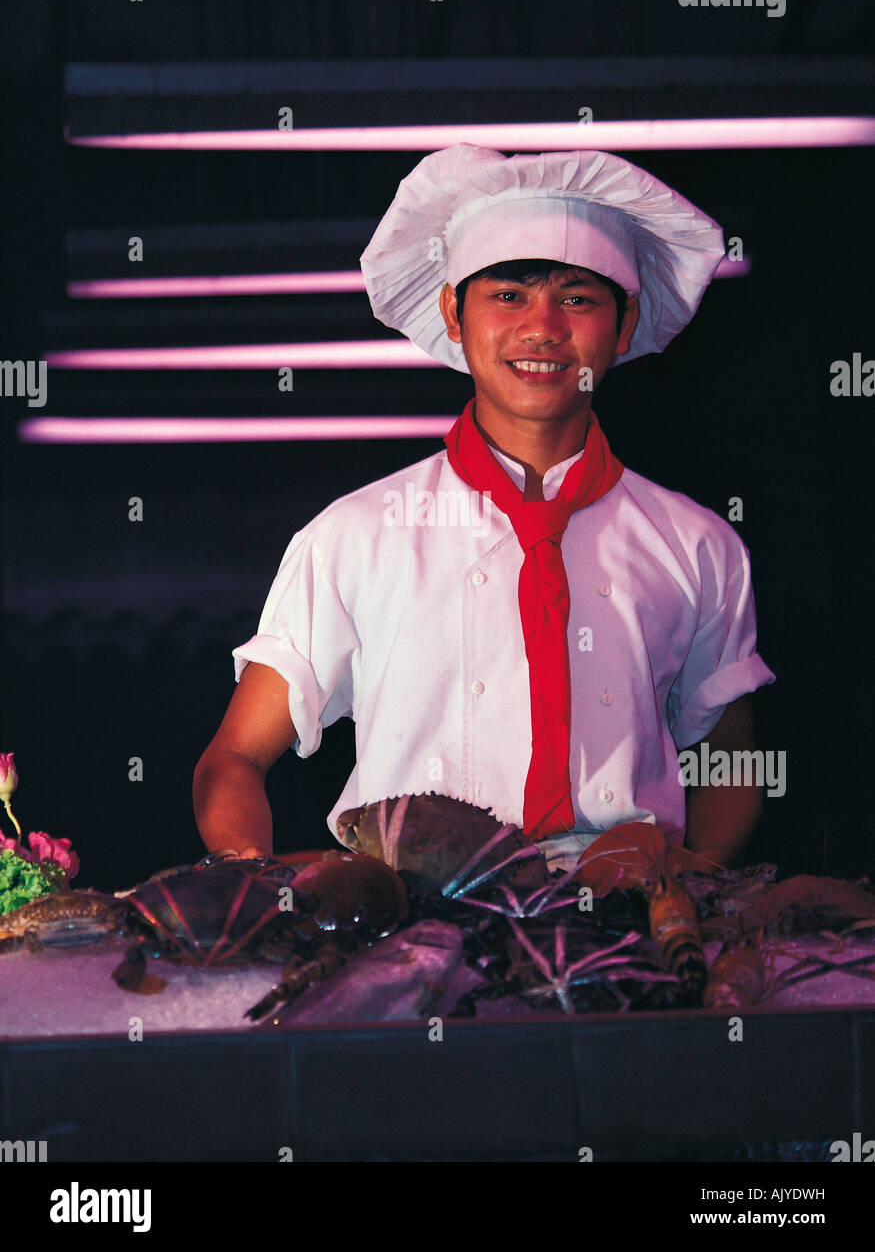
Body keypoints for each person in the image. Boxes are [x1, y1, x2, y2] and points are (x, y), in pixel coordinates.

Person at [193, 144, 775, 872]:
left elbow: (732, 758)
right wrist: (253, 881)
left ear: (623, 327)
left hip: (627, 922)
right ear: (453, 314)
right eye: (507, 295)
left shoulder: (697, 545)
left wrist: (699, 874)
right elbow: (235, 757)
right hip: (407, 926)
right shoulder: (355, 535)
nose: (542, 329)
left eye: (578, 298)